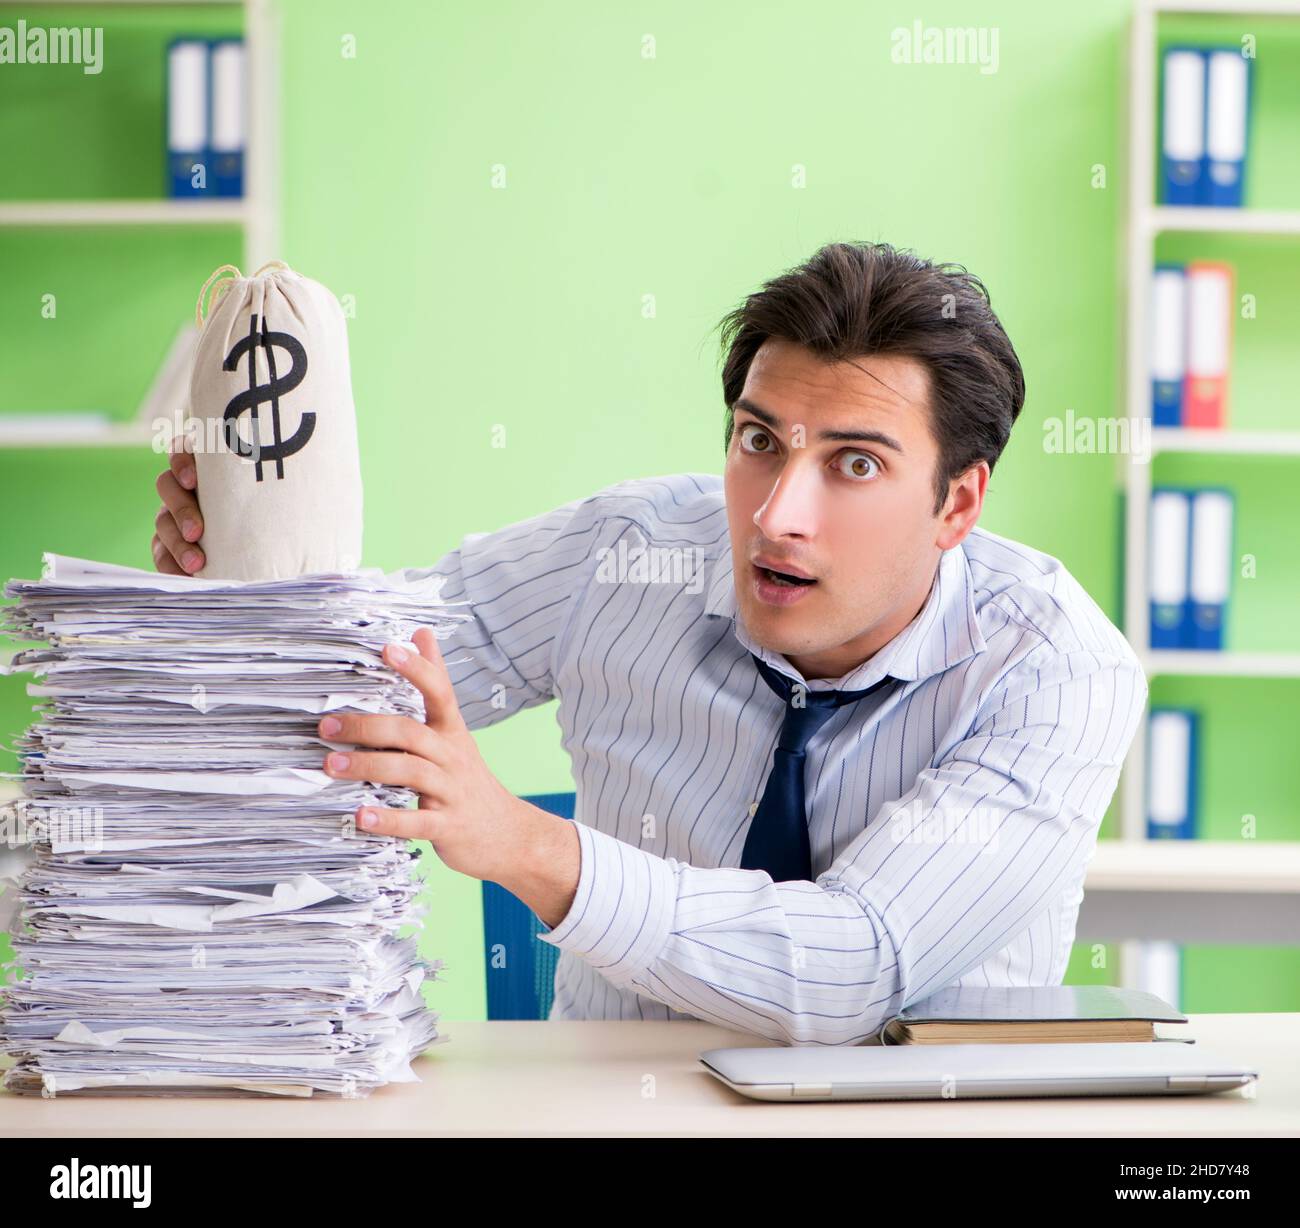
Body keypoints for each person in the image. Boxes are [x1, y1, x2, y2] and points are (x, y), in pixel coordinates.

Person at [151, 241, 1147, 1045]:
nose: (778, 516)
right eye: (760, 442)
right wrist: (233, 584)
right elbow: (328, 696)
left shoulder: (1053, 667)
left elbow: (854, 967)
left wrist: (529, 845)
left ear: (955, 503)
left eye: (852, 463)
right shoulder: (622, 556)